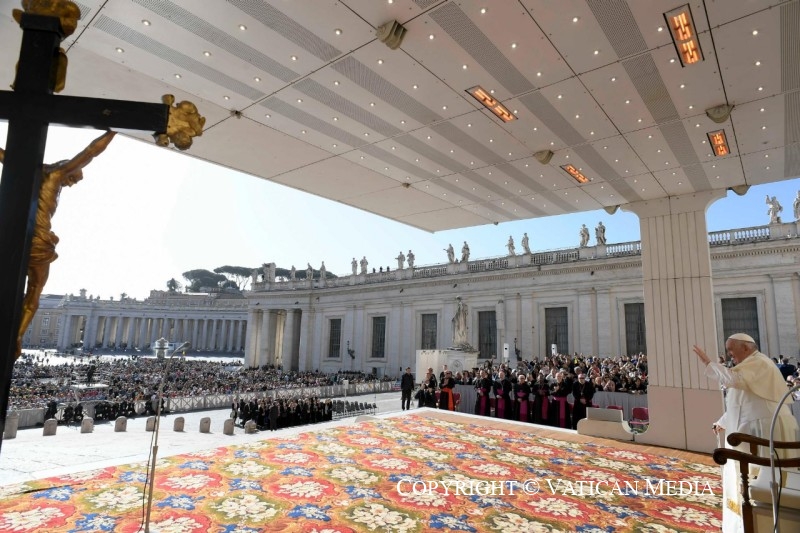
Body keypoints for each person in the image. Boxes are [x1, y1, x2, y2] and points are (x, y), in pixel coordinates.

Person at [1, 131, 116, 357]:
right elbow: (90, 152)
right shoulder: (55, 176)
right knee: (35, 290)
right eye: (74, 178)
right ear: (68, 169)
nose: (71, 184)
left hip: (12, 235)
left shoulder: (28, 171)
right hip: (38, 241)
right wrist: (115, 130)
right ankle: (17, 336)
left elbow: (6, 156)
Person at [693, 333, 800, 533]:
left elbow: (734, 381)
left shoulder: (759, 363)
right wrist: (723, 421)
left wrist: (709, 363)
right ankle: (745, 522)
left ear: (745, 347)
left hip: (763, 430)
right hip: (752, 428)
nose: (729, 354)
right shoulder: (749, 365)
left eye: (731, 349)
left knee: (759, 479)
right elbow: (741, 402)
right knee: (748, 477)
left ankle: (761, 523)